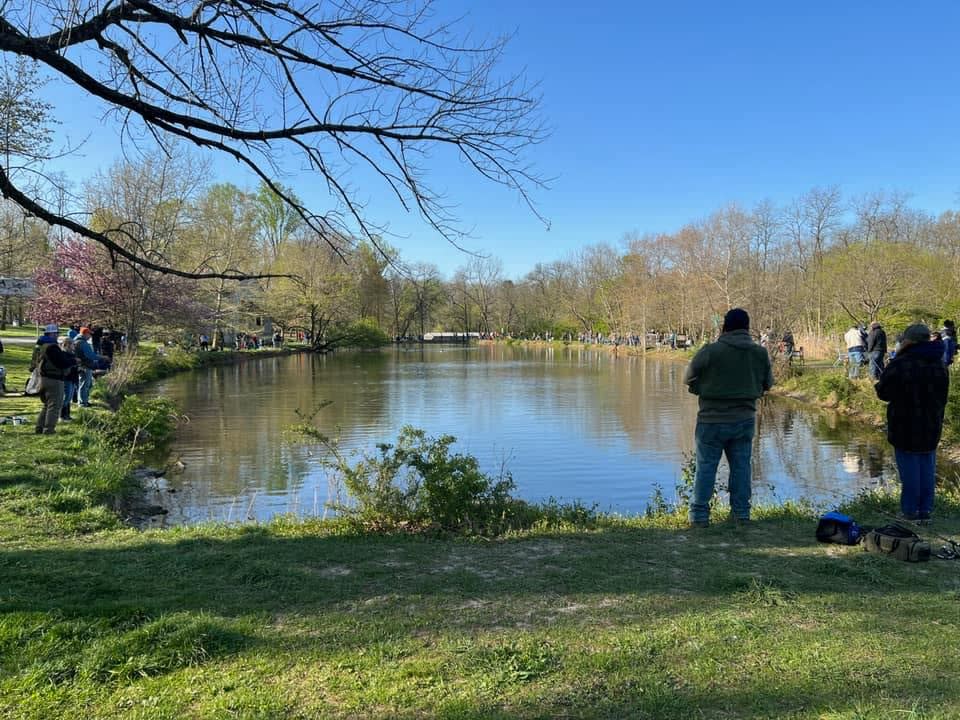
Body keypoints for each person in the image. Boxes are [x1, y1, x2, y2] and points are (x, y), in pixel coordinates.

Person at [684, 308, 774, 528]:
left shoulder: (710, 351)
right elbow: (768, 384)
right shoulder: (759, 353)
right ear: (747, 327)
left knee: (706, 468)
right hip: (744, 419)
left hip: (711, 420)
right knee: (742, 467)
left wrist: (701, 390)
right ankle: (741, 515)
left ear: (724, 326)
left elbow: (689, 378)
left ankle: (699, 517)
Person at [874, 324, 949, 524]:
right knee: (927, 468)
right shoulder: (939, 362)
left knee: (909, 472)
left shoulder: (902, 362)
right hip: (932, 423)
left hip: (905, 423)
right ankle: (925, 512)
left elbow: (884, 392)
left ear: (909, 340)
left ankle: (909, 513)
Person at [31, 332, 77, 434]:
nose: (57, 336)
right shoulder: (52, 348)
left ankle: (39, 428)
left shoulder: (41, 347)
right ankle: (49, 430)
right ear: (50, 335)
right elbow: (62, 363)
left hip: (44, 379)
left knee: (47, 405)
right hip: (54, 380)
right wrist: (73, 361)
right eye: (55, 334)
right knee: (54, 406)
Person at [74, 327, 100, 407]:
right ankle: (82, 402)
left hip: (83, 365)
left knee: (86, 384)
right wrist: (102, 357)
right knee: (84, 384)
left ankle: (84, 400)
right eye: (89, 334)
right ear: (85, 334)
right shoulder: (82, 343)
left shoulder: (77, 341)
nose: (90, 336)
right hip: (85, 366)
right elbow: (90, 355)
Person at [58, 336, 79, 422]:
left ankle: (67, 415)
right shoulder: (63, 354)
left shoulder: (72, 354)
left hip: (73, 378)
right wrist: (75, 361)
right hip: (67, 378)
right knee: (66, 397)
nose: (74, 346)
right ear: (67, 345)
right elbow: (66, 365)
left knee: (69, 397)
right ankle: (62, 416)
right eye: (72, 345)